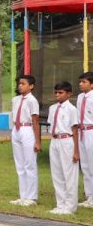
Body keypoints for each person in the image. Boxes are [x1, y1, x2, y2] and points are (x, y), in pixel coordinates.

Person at [47, 82, 79, 215]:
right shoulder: (53, 108)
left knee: (69, 174)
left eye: (61, 93)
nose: (57, 95)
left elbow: (75, 130)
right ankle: (60, 204)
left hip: (67, 140)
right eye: (56, 92)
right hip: (55, 141)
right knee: (57, 173)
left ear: (69, 94)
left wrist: (76, 150)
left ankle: (70, 206)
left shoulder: (71, 109)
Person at [10, 75, 41, 207]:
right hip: (16, 130)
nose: (20, 85)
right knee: (20, 165)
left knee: (29, 164)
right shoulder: (15, 99)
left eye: (23, 83)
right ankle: (23, 195)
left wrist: (37, 141)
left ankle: (32, 197)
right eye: (19, 83)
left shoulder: (32, 101)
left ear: (31, 86)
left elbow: (35, 121)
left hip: (27, 130)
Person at [77, 71, 93, 208]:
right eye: (80, 82)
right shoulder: (80, 97)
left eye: (84, 82)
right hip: (81, 131)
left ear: (92, 84)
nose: (80, 84)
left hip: (91, 131)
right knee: (86, 166)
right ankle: (89, 196)